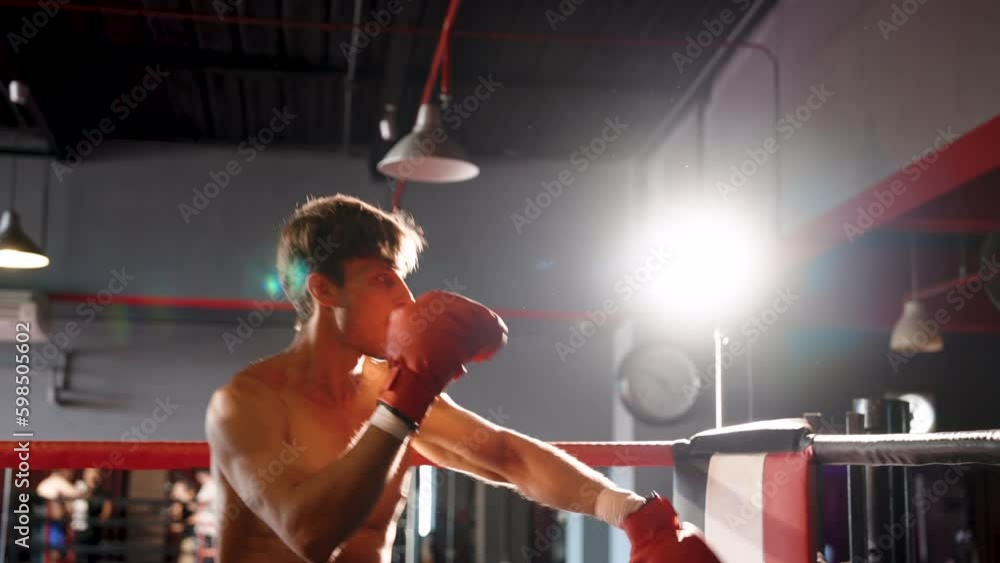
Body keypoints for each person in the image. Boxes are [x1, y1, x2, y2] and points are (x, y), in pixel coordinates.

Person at [205, 194, 718, 563]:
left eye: (402, 280)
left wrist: (630, 512)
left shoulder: (386, 387)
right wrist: (404, 403)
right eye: (382, 280)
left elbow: (506, 455)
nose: (405, 298)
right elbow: (309, 535)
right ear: (324, 290)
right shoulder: (247, 404)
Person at [71, 468, 112, 563]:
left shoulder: (104, 494)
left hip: (94, 535)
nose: (93, 476)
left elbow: (106, 514)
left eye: (96, 473)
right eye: (90, 473)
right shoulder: (76, 489)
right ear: (84, 475)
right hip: (77, 536)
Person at [36, 469, 77, 563]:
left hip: (44, 529)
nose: (71, 474)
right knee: (55, 554)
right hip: (54, 528)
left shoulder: (44, 484)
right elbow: (58, 513)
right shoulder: (58, 483)